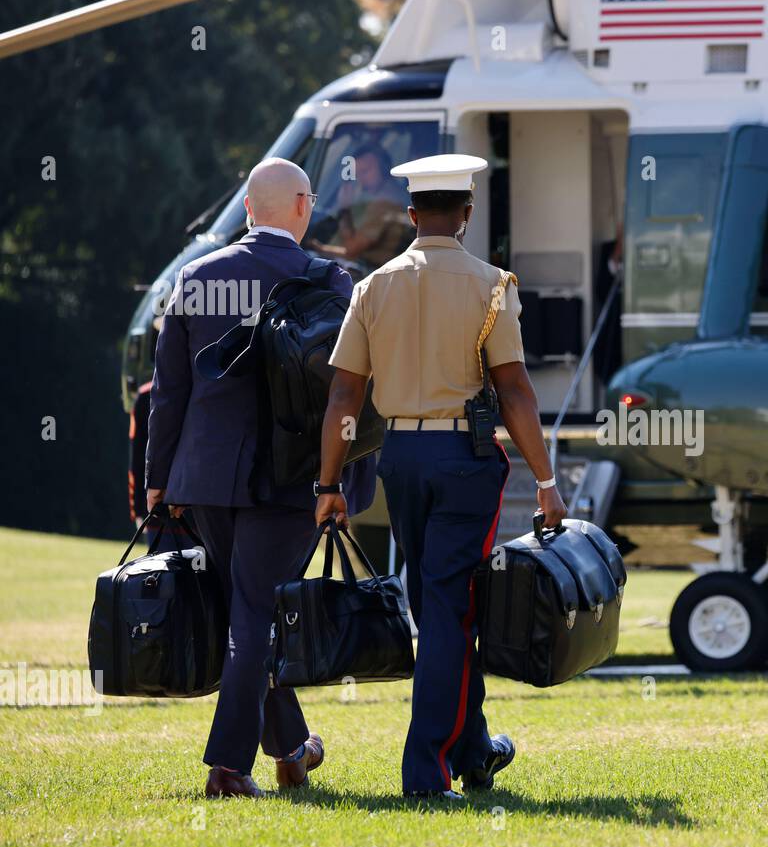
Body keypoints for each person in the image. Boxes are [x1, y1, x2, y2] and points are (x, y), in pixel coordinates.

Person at [317, 153, 567, 801]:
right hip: (464, 461)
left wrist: (327, 487)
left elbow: (343, 401)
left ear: (409, 215)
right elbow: (514, 390)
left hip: (399, 459)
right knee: (450, 611)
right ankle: (426, 771)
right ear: (466, 213)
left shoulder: (372, 287)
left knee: (441, 606)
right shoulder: (491, 284)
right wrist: (546, 480)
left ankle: (475, 751)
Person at [146, 157, 377, 798]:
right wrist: (346, 484)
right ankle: (228, 767)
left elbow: (169, 393)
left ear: (248, 209)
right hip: (290, 480)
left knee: (251, 612)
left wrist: (158, 478)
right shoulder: (330, 280)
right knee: (254, 615)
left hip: (207, 480)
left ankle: (292, 752)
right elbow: (354, 395)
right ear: (303, 207)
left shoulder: (194, 277)